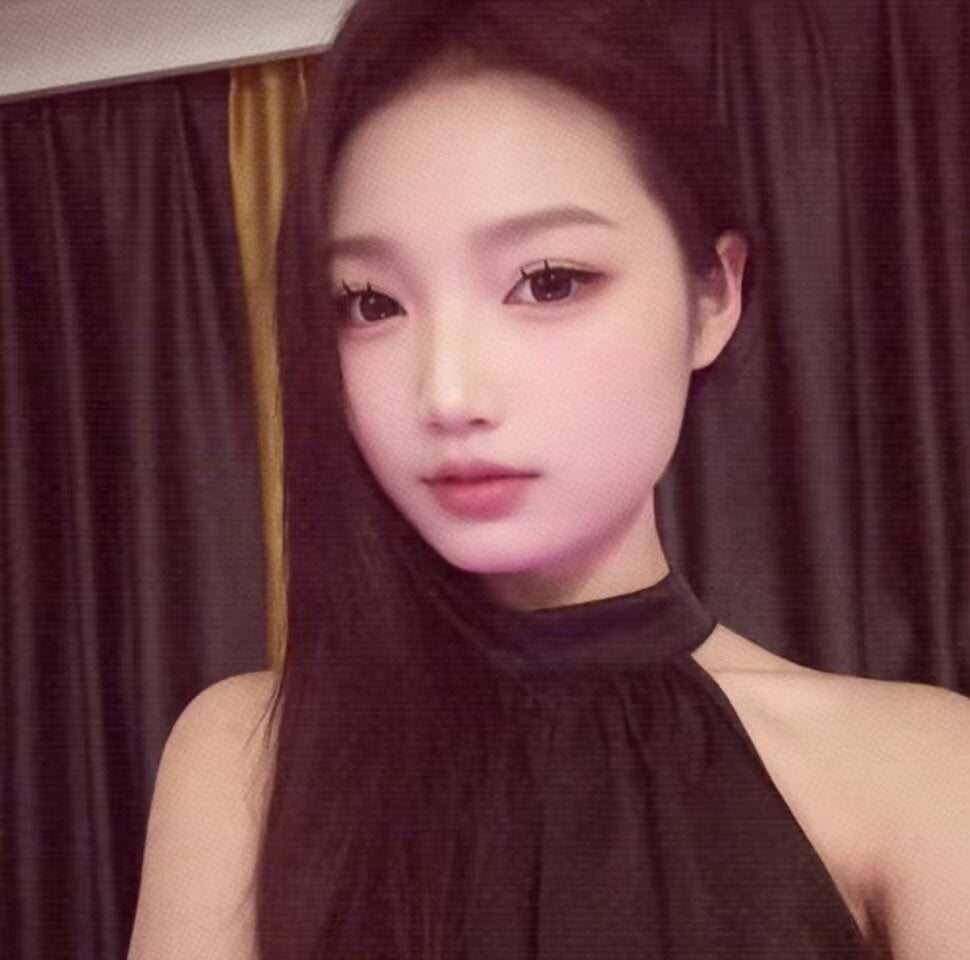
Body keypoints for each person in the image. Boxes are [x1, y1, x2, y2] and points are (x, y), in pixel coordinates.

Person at [127, 1, 970, 958]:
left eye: (550, 281)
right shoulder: (247, 757)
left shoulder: (918, 774)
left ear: (713, 296)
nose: (446, 394)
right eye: (369, 302)